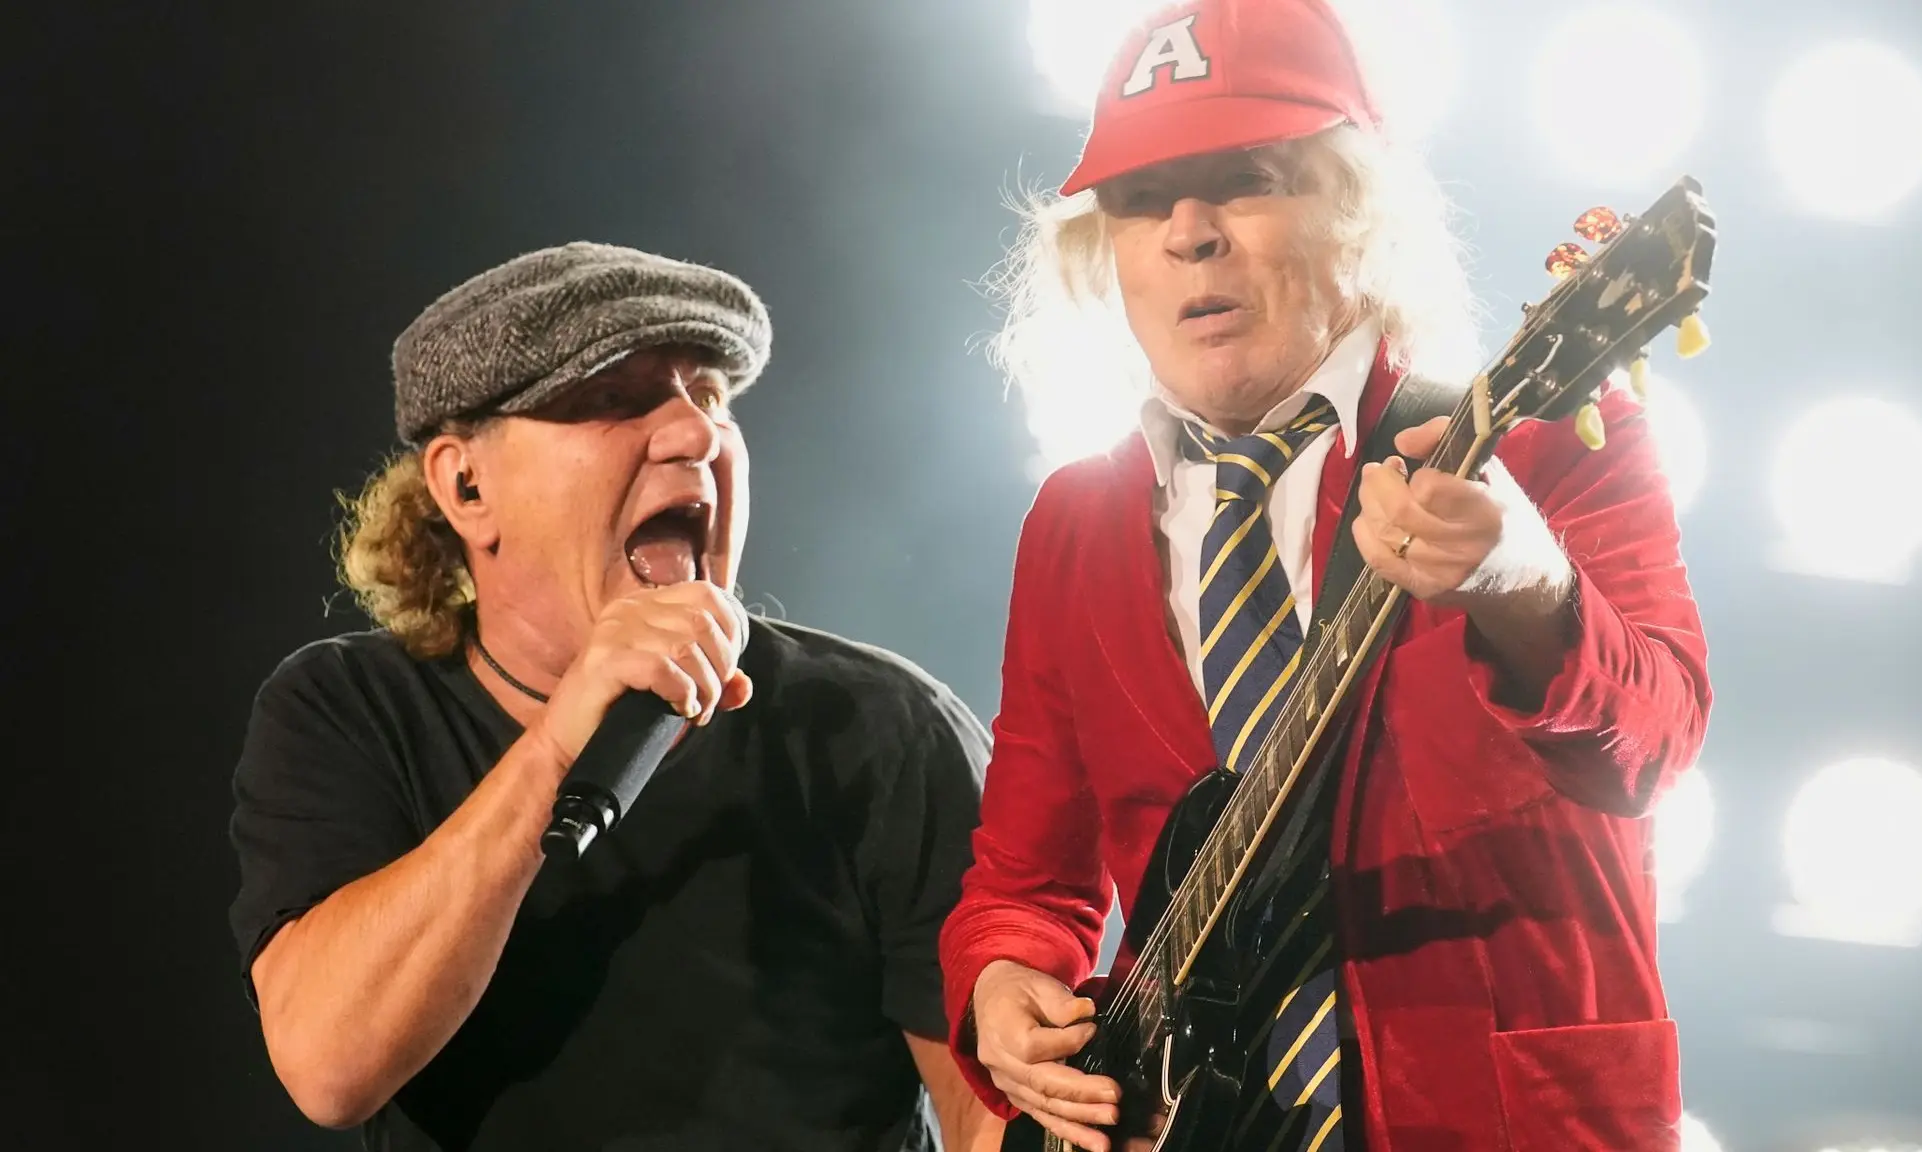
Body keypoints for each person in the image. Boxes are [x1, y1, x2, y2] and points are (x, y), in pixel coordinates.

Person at [938, 1, 1712, 1149]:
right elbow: (1020, 882)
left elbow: (1657, 737)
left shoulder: (1537, 438)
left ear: (1357, 205)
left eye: (1243, 178)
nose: (1187, 233)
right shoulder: (1073, 523)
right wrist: (1002, 984)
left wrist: (1523, 585)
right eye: (1141, 198)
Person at [227, 242, 1003, 1152]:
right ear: (466, 486)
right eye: (610, 399)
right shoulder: (348, 709)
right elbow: (329, 1066)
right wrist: (560, 746)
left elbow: (991, 1111)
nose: (695, 436)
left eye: (709, 396)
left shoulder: (881, 728)